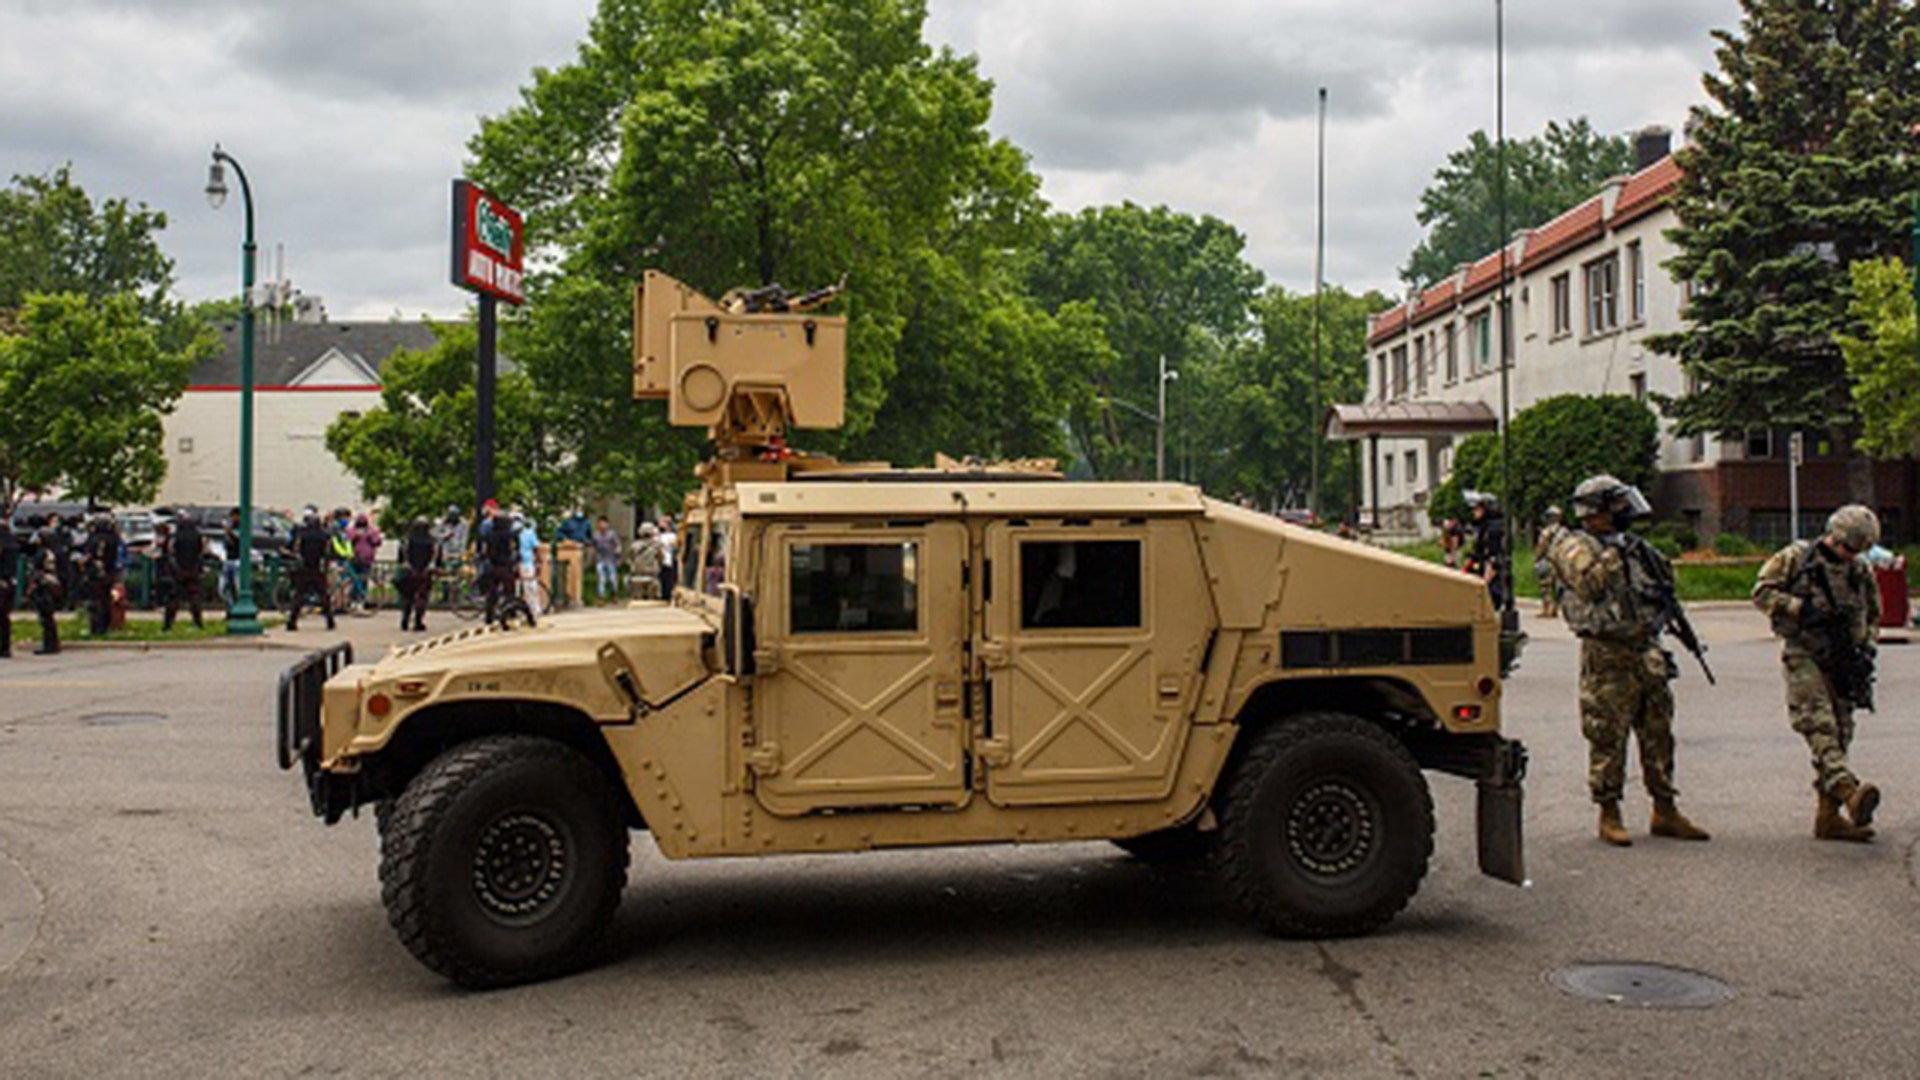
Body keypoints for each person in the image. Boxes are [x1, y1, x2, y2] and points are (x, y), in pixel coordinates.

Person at [1546, 474, 1710, 847]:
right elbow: (1590, 585)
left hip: (1645, 650)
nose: (1626, 511)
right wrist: (1614, 553)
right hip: (1606, 653)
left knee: (1659, 733)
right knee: (1607, 735)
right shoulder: (1573, 546)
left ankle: (1665, 809)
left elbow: (1662, 585)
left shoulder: (1635, 547)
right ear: (1596, 511)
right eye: (1617, 505)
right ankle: (1609, 813)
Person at [1752, 505, 1884, 842]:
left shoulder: (1859, 570)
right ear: (1834, 537)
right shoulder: (1797, 558)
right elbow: (1761, 593)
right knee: (1819, 724)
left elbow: (1873, 613)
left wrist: (1867, 648)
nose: (1851, 556)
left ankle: (1829, 817)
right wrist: (1800, 608)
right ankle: (1848, 791)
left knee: (1841, 733)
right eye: (1848, 548)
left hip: (1843, 659)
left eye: (1858, 551)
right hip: (1805, 652)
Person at [286, 509, 337, 632]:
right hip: (317, 568)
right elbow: (328, 552)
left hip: (304, 567)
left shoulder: (302, 535)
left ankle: (292, 621)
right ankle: (330, 621)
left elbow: (293, 549)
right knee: (324, 596)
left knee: (299, 595)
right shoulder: (322, 535)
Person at [476, 500, 519, 624]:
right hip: (505, 566)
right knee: (509, 591)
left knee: (492, 592)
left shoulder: (490, 535)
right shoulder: (509, 535)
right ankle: (510, 613)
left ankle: (489, 615)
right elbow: (514, 549)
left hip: (493, 565)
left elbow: (485, 549)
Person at [1463, 493, 1510, 609]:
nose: (1474, 512)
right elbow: (1477, 550)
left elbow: (1493, 553)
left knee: (1490, 599)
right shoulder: (1483, 527)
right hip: (1482, 566)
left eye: (1478, 509)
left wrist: (1487, 576)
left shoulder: (1493, 528)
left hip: (1491, 570)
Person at [80, 512, 122, 637]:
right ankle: (105, 626)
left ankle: (96, 627)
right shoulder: (114, 538)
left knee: (95, 601)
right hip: (109, 572)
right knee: (106, 600)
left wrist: (87, 564)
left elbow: (94, 555)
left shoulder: (96, 539)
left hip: (96, 573)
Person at [164, 510, 207, 630]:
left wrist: (174, 569)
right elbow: (202, 552)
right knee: (194, 597)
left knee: (173, 598)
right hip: (193, 571)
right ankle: (198, 622)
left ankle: (168, 624)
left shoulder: (175, 536)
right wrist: (198, 568)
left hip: (178, 571)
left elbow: (170, 552)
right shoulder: (197, 536)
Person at [398, 517, 439, 632]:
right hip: (424, 572)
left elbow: (402, 554)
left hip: (410, 572)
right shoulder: (432, 541)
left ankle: (405, 619)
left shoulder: (407, 539)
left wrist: (404, 564)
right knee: (422, 597)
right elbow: (436, 556)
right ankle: (418, 621)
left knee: (407, 597)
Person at [24, 546, 61, 655]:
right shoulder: (50, 552)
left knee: (46, 617)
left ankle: (49, 645)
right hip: (50, 582)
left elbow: (38, 568)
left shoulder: (42, 553)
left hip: (44, 586)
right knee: (49, 618)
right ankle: (52, 644)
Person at [1534, 505, 1568, 619]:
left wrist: (1537, 557)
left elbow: (1542, 546)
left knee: (1545, 586)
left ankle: (1546, 608)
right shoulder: (1565, 532)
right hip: (1561, 561)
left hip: (1549, 560)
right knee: (1558, 586)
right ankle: (1555, 607)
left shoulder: (1546, 532)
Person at [347, 513, 382, 609]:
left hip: (367, 559)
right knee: (355, 579)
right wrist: (356, 536)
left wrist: (370, 536)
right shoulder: (352, 530)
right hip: (355, 557)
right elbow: (348, 539)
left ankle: (361, 599)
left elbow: (378, 542)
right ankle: (353, 599)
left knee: (364, 579)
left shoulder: (372, 530)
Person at [515, 511, 543, 618]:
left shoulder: (529, 533)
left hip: (527, 563)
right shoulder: (512, 534)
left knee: (530, 587)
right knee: (517, 588)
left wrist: (539, 562)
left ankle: (534, 609)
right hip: (516, 563)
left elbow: (536, 548)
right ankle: (519, 610)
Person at [628, 522, 664, 600]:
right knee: (653, 599)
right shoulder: (657, 545)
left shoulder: (634, 545)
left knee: (637, 599)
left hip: (637, 574)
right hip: (652, 575)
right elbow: (661, 558)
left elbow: (630, 558)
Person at [590, 516, 621, 600]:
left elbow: (617, 546)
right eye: (600, 523)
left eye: (604, 523)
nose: (602, 525)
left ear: (608, 524)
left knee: (612, 579)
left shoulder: (612, 534)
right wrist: (593, 557)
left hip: (611, 559)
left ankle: (614, 594)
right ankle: (601, 596)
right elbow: (593, 547)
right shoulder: (595, 535)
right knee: (601, 578)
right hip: (600, 559)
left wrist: (618, 557)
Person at [0, 522, 19, 658]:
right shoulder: (13, 546)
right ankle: (5, 646)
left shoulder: (3, 547)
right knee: (4, 616)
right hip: (10, 582)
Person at [657, 517, 679, 595]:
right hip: (661, 562)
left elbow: (675, 547)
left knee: (668, 581)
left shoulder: (672, 536)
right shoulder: (659, 536)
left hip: (668, 561)